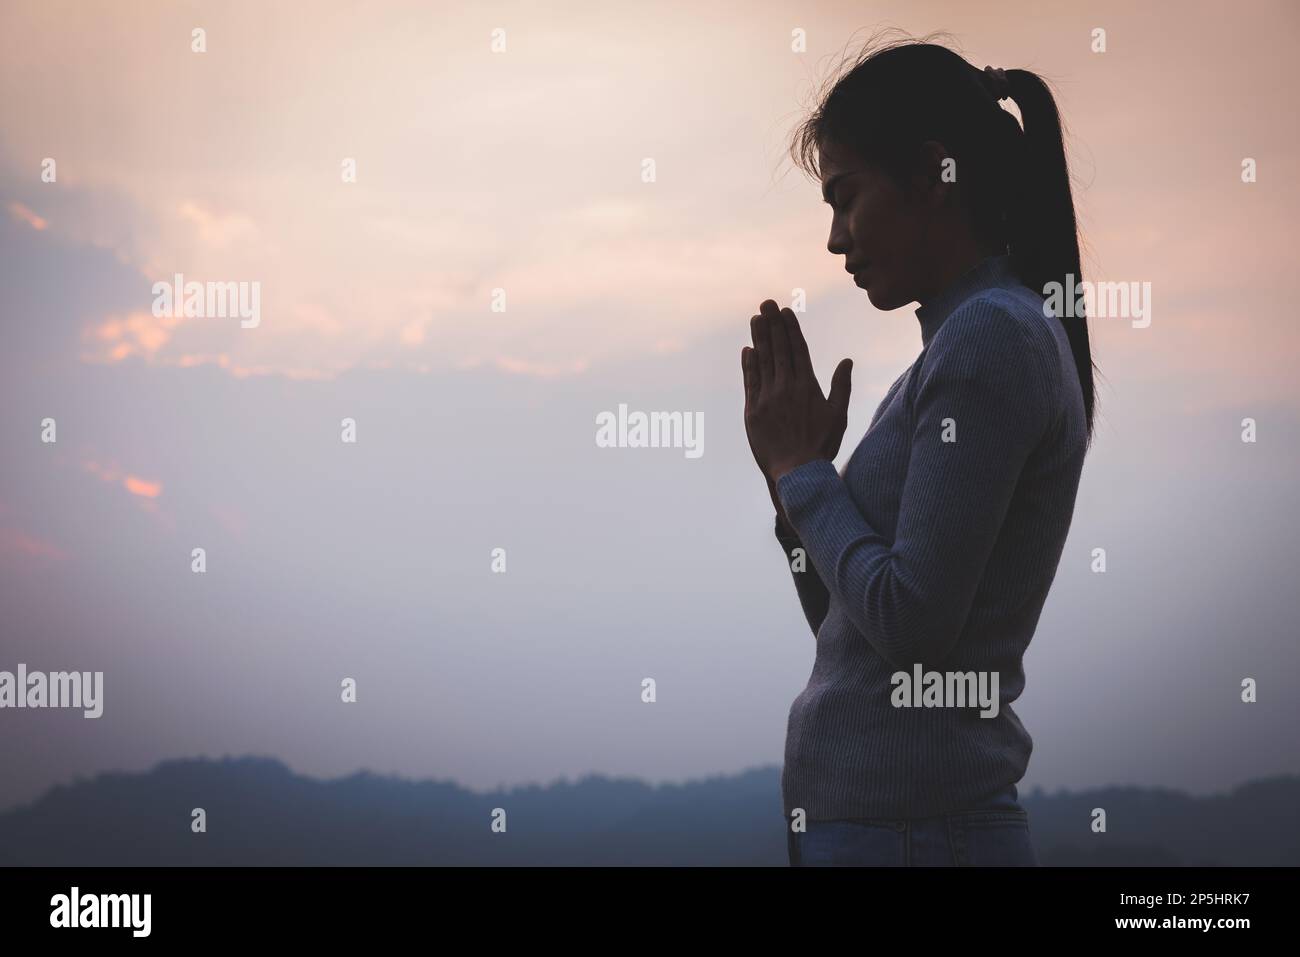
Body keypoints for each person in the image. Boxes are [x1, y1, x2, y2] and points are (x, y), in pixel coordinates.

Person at [740, 35, 1096, 866]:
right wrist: (793, 497)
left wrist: (808, 476)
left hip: (919, 836)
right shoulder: (961, 346)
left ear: (932, 176)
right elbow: (849, 627)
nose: (835, 239)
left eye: (845, 196)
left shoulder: (989, 342)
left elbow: (915, 624)